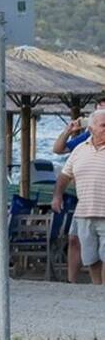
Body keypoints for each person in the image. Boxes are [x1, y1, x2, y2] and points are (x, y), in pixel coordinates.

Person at [51, 100, 105, 284]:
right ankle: (91, 287)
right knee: (90, 256)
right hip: (84, 208)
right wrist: (57, 196)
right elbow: (59, 152)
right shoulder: (81, 146)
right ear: (91, 127)